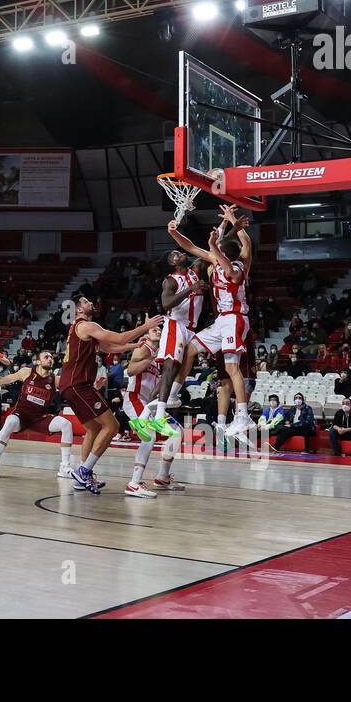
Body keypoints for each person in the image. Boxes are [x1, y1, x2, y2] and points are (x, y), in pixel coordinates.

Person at [58, 290, 162, 494]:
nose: (91, 303)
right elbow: (119, 337)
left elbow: (109, 347)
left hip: (72, 385)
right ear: (78, 308)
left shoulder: (82, 331)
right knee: (112, 426)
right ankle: (84, 471)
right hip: (78, 384)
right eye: (86, 301)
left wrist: (135, 344)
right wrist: (145, 327)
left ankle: (81, 478)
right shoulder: (86, 325)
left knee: (93, 429)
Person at [168, 205, 254, 439]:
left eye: (215, 251)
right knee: (190, 349)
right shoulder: (217, 261)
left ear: (222, 253)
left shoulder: (237, 266)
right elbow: (190, 246)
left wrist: (216, 243)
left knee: (231, 368)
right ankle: (173, 394)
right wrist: (174, 233)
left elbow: (234, 263)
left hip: (235, 320)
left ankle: (243, 416)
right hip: (220, 323)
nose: (210, 252)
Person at [130, 246, 206, 441]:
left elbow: (211, 253)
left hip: (190, 328)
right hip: (176, 325)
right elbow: (166, 304)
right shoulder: (171, 280)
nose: (180, 253)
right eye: (175, 254)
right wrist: (191, 289)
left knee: (173, 373)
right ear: (172, 263)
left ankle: (144, 416)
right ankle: (160, 416)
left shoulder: (194, 270)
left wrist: (227, 226)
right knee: (169, 369)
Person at [0, 349, 74, 479]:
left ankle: (64, 467)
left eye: (51, 357)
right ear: (38, 361)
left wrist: (95, 386)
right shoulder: (27, 372)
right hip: (22, 414)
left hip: (40, 418)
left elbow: (72, 389)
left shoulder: (55, 379)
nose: (50, 359)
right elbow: (10, 377)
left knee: (66, 424)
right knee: (10, 421)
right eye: (46, 357)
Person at [121, 335, 184, 498]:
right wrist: (151, 358)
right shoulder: (142, 349)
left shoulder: (160, 356)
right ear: (146, 335)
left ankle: (162, 477)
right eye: (155, 329)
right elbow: (130, 370)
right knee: (148, 436)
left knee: (177, 431)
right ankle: (134, 483)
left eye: (160, 329)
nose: (159, 331)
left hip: (149, 403)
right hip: (135, 397)